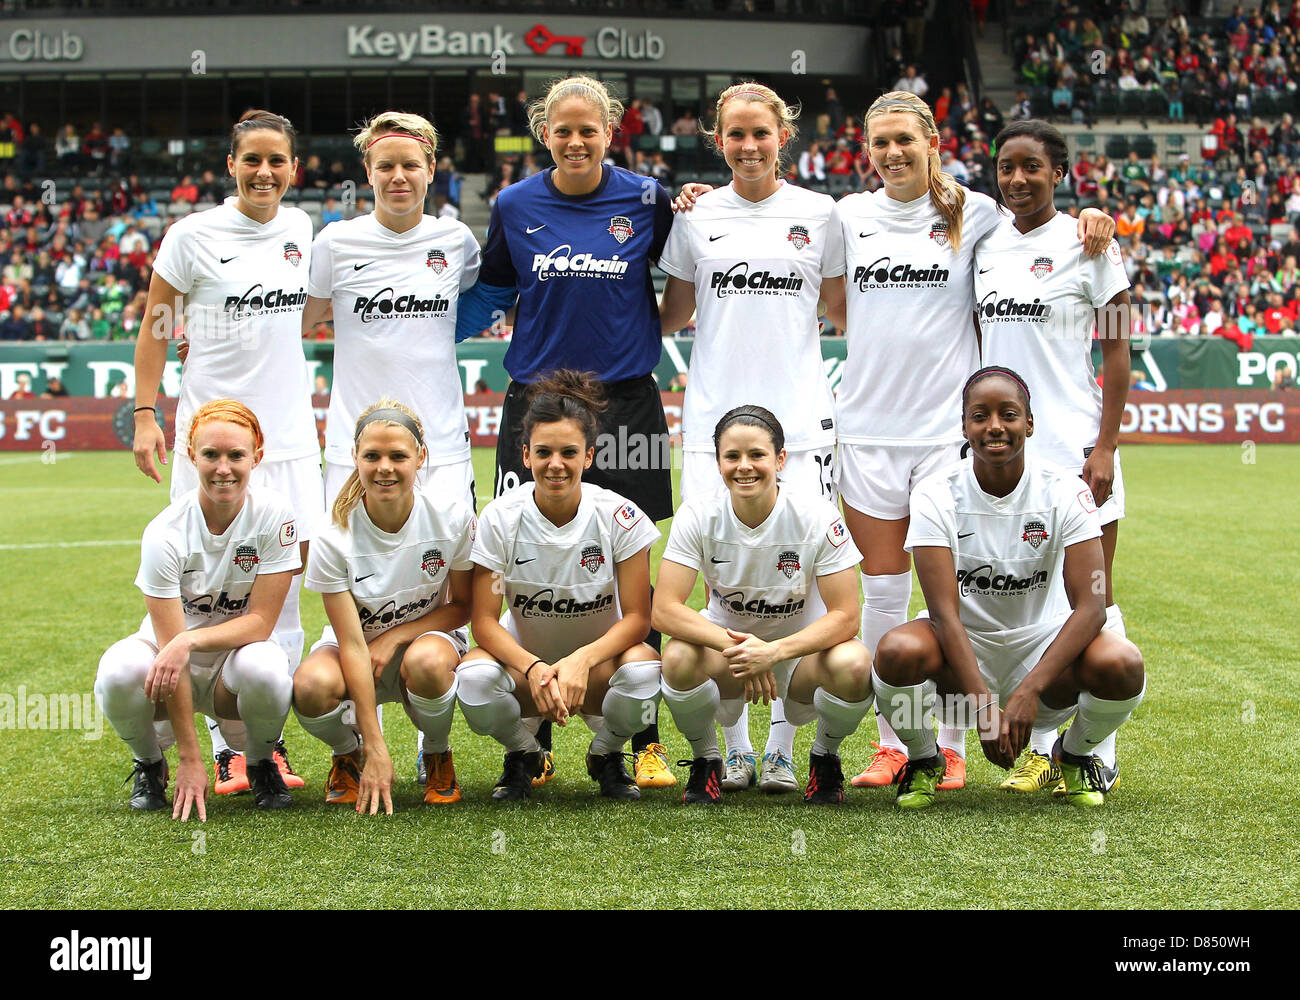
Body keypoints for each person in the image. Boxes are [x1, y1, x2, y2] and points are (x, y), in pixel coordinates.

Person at [826, 91, 1115, 792]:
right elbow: (822, 288)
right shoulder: (845, 217)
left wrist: (1093, 219)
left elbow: (1039, 227)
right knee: (885, 593)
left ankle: (952, 748)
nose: (893, 153)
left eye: (905, 139)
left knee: (948, 599)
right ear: (867, 151)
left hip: (941, 436)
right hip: (865, 429)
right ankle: (896, 745)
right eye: (880, 143)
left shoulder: (975, 213)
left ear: (931, 140)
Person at [454, 76, 676, 789]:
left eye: (589, 130)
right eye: (562, 130)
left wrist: (646, 334)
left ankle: (641, 738)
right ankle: (535, 736)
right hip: (539, 408)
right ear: (544, 132)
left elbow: (683, 278)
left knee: (633, 559)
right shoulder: (515, 204)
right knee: (529, 560)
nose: (575, 142)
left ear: (612, 131)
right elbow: (491, 290)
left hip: (628, 403)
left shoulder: (648, 199)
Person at [657, 82, 847, 794]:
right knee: (722, 581)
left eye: (760, 133)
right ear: (718, 140)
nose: (748, 146)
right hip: (713, 428)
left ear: (783, 136)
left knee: (808, 587)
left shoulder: (821, 214)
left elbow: (841, 307)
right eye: (734, 135)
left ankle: (782, 748)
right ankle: (732, 747)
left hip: (800, 424)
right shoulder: (697, 216)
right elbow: (673, 313)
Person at [131, 110, 320, 797]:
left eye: (277, 161)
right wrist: (147, 414)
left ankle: (264, 744)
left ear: (294, 169)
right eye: (252, 160)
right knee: (203, 588)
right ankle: (220, 748)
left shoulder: (304, 231)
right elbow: (157, 327)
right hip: (209, 441)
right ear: (231, 166)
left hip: (291, 442)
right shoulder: (192, 236)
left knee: (286, 592)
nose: (264, 172)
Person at [302, 110, 481, 785]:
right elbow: (306, 319)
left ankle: (433, 744)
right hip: (354, 452)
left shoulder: (456, 241)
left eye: (411, 165)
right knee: (353, 577)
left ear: (432, 170)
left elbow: (479, 302)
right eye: (385, 167)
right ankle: (352, 747)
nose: (399, 177)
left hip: (441, 451)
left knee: (442, 583)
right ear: (367, 173)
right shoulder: (336, 243)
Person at [871, 367, 1145, 808]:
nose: (994, 426)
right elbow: (943, 614)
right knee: (896, 651)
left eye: (1009, 414)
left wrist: (1029, 692)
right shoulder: (934, 494)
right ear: (964, 427)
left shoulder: (1066, 491)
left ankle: (1073, 754)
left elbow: (1092, 607)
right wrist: (981, 706)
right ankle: (924, 759)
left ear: (1030, 424)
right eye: (980, 416)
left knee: (1122, 662)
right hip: (962, 658)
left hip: (1044, 658)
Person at [975, 120, 1133, 793]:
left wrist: (1106, 445)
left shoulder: (1089, 243)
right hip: (1002, 454)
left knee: (1090, 598)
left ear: (1058, 173)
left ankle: (1094, 749)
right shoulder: (981, 243)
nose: (1017, 179)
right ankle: (1043, 750)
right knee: (1025, 594)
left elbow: (1120, 348)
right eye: (1006, 167)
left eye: (1031, 167)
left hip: (1074, 447)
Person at [455, 372, 662, 801]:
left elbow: (640, 619)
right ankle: (524, 752)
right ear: (526, 455)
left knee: (645, 668)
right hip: (525, 667)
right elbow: (484, 623)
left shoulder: (619, 516)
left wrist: (581, 661)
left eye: (569, 452)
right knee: (473, 678)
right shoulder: (499, 518)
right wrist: (534, 668)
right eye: (544, 452)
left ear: (588, 456)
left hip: (597, 669)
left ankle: (606, 754)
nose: (556, 464)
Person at [654, 406, 874, 805]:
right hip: (730, 655)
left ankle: (824, 757)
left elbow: (846, 616)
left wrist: (772, 653)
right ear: (718, 461)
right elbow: (665, 610)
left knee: (856, 663)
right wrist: (739, 649)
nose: (744, 467)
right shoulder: (698, 515)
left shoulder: (817, 515)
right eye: (732, 457)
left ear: (780, 459)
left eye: (756, 455)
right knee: (678, 658)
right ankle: (708, 761)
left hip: (800, 658)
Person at [94, 400, 301, 819]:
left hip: (234, 661)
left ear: (256, 457)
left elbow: (261, 623)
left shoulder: (275, 516)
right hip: (169, 663)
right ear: (192, 457)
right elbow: (172, 653)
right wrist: (192, 759)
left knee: (269, 671)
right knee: (116, 673)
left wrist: (190, 639)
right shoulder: (164, 533)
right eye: (211, 455)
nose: (223, 468)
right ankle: (150, 764)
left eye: (236, 455)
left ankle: (261, 764)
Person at [293, 399, 476, 814]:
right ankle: (349, 753)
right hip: (356, 648)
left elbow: (463, 606)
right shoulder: (332, 533)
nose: (385, 468)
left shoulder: (451, 517)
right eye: (371, 456)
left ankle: (436, 753)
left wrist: (394, 636)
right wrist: (376, 746)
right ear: (354, 458)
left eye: (398, 456)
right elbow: (353, 645)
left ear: (421, 458)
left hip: (425, 641)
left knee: (429, 662)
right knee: (309, 687)